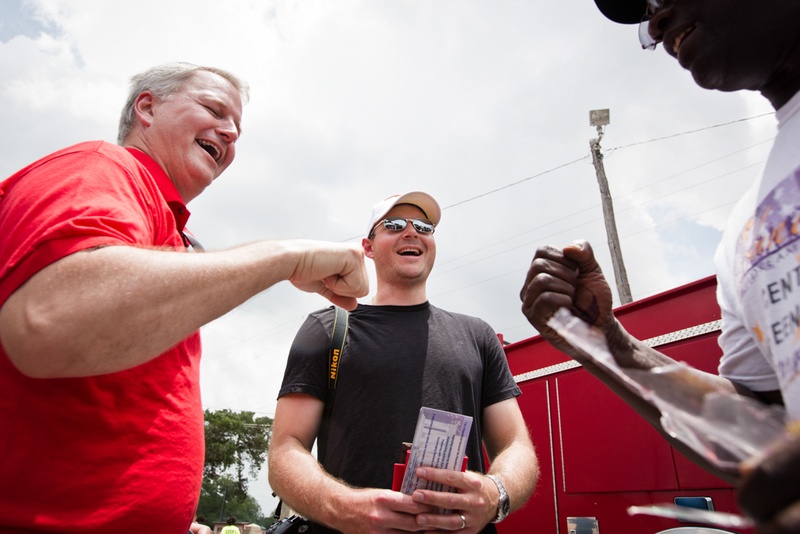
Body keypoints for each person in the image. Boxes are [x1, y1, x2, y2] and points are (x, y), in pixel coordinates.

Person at [0, 62, 368, 534]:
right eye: (214, 109)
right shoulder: (103, 166)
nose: (231, 132)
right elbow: (49, 320)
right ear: (147, 107)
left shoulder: (166, 233)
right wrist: (288, 257)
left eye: (238, 129)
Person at [520, 0, 800, 532]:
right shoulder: (746, 232)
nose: (653, 20)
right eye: (645, 11)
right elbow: (764, 424)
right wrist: (604, 341)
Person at [268, 191, 538, 534]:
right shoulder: (327, 328)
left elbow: (517, 445)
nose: (412, 232)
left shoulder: (477, 335)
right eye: (394, 225)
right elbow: (284, 450)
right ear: (367, 246)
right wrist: (343, 508)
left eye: (424, 226)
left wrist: (495, 494)